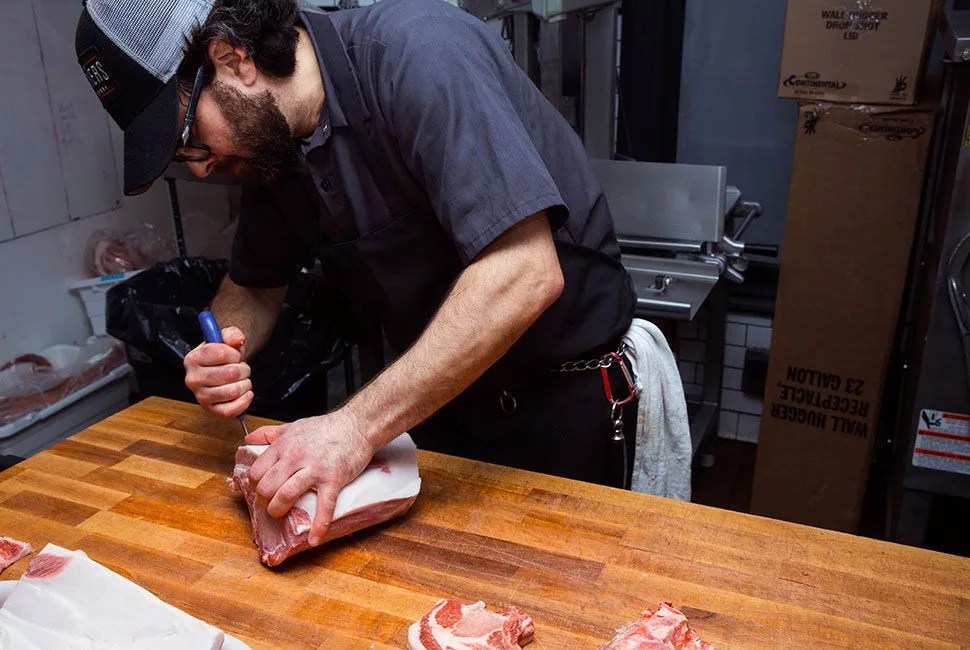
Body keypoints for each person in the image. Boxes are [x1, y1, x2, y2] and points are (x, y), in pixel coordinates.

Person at [76, 0, 637, 546]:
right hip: (431, 405)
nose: (201, 167)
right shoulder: (273, 142)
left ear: (232, 59)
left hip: (559, 403)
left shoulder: (422, 53)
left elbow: (524, 272)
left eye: (189, 138)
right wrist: (220, 347)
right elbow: (255, 286)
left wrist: (352, 427)